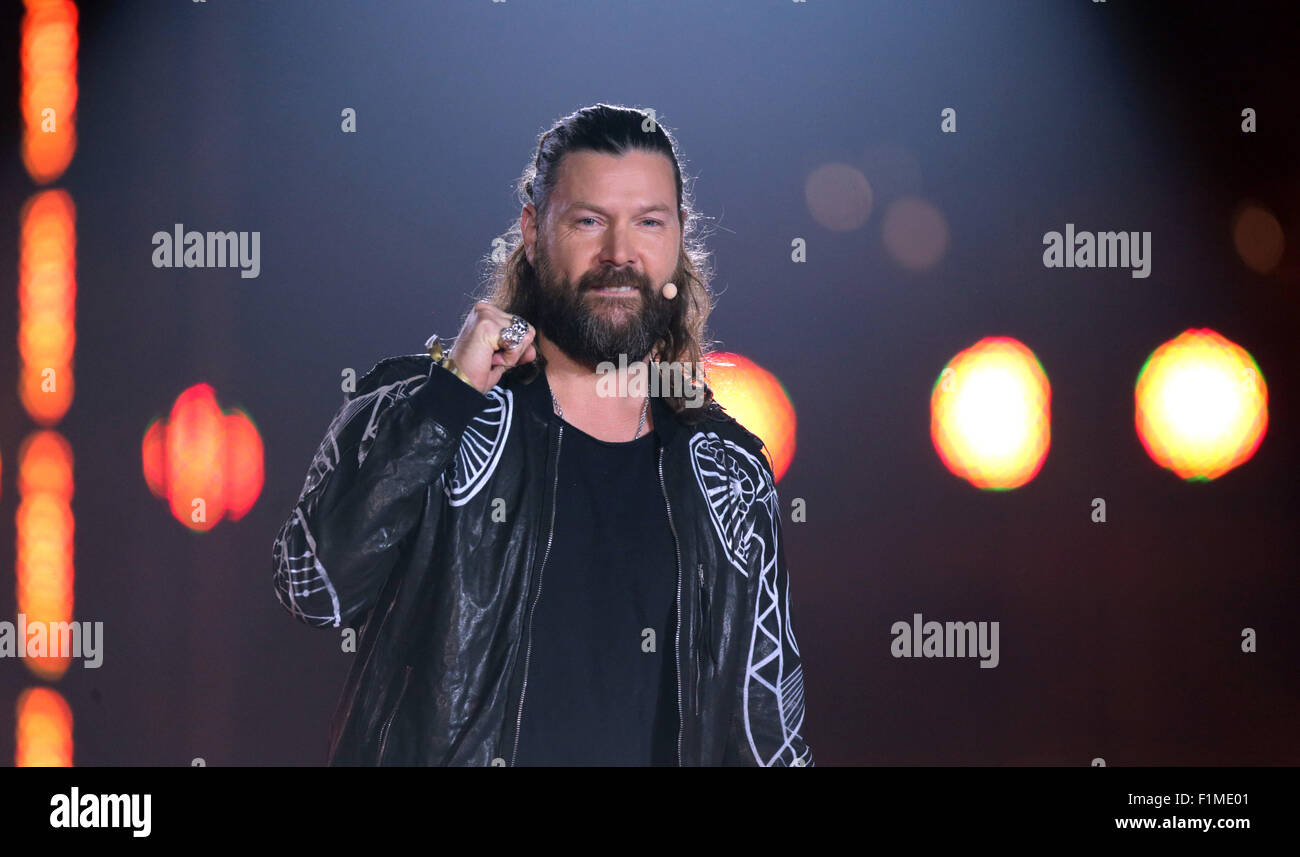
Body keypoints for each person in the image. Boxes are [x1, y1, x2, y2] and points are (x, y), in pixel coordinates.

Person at [272, 103, 812, 766]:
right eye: (589, 220)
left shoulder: (726, 477)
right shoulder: (435, 413)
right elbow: (313, 585)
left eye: (648, 222)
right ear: (533, 233)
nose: (619, 253)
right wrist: (447, 401)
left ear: (677, 240)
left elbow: (771, 741)